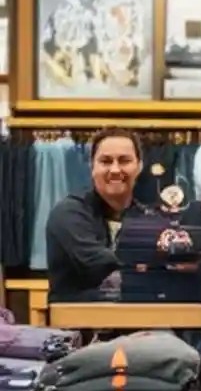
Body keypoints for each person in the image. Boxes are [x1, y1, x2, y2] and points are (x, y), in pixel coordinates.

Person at [45, 127, 144, 303]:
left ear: (139, 166)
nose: (115, 170)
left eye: (124, 161)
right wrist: (151, 265)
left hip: (140, 316)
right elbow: (98, 264)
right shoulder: (68, 213)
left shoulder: (147, 217)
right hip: (77, 319)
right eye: (106, 161)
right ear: (92, 166)